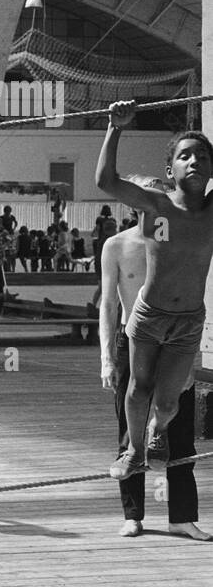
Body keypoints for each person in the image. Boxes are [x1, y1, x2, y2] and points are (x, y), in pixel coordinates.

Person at [96, 102, 213, 479]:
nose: (194, 161)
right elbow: (106, 182)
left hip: (188, 320)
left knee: (168, 400)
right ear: (170, 170)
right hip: (148, 315)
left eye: (203, 156)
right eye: (185, 156)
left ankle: (156, 430)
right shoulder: (155, 204)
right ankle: (133, 450)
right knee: (137, 388)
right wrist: (115, 128)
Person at [99, 181, 210, 542]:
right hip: (131, 340)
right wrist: (106, 359)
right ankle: (133, 515)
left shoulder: (182, 243)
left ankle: (182, 516)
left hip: (176, 342)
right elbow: (109, 305)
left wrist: (194, 355)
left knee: (180, 435)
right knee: (130, 435)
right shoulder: (116, 245)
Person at [92, 204, 117, 272]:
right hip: (111, 240)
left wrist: (93, 234)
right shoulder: (113, 220)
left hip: (102, 239)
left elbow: (97, 229)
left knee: (99, 255)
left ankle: (99, 269)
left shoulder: (99, 219)